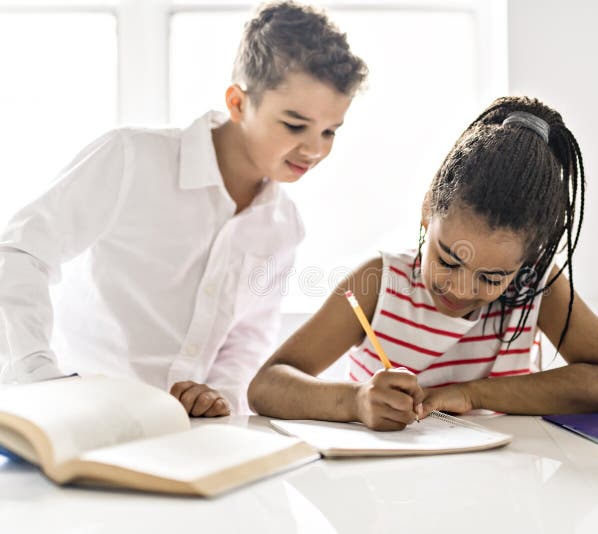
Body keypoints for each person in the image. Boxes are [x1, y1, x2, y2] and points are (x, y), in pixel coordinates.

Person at [0, 1, 367, 417]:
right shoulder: (131, 159)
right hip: (77, 419)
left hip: (185, 439)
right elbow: (20, 253)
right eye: (295, 125)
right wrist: (36, 375)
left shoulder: (284, 226)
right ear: (238, 103)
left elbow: (245, 342)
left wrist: (218, 400)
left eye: (330, 131)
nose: (316, 149)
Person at [248, 96, 598, 430]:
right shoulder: (380, 283)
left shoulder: (536, 288)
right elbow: (267, 385)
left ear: (527, 262)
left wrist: (471, 393)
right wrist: (356, 401)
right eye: (449, 261)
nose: (460, 289)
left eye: (491, 277)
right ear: (426, 211)